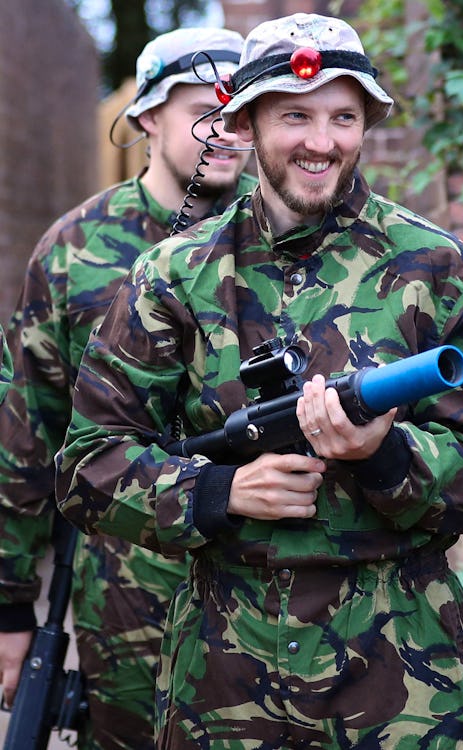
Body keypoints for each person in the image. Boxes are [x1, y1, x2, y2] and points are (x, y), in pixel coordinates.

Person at [55, 12, 463, 748]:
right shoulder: (175, 275)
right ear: (245, 124)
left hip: (402, 676)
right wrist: (219, 491)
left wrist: (386, 455)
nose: (322, 141)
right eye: (295, 116)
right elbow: (89, 465)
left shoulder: (436, 268)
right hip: (222, 678)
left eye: (343, 117)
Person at [0, 27, 252, 749]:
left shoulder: (285, 237)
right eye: (204, 113)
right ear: (147, 119)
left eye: (240, 114)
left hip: (267, 579)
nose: (225, 132)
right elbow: (27, 429)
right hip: (126, 595)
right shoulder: (75, 249)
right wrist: (11, 605)